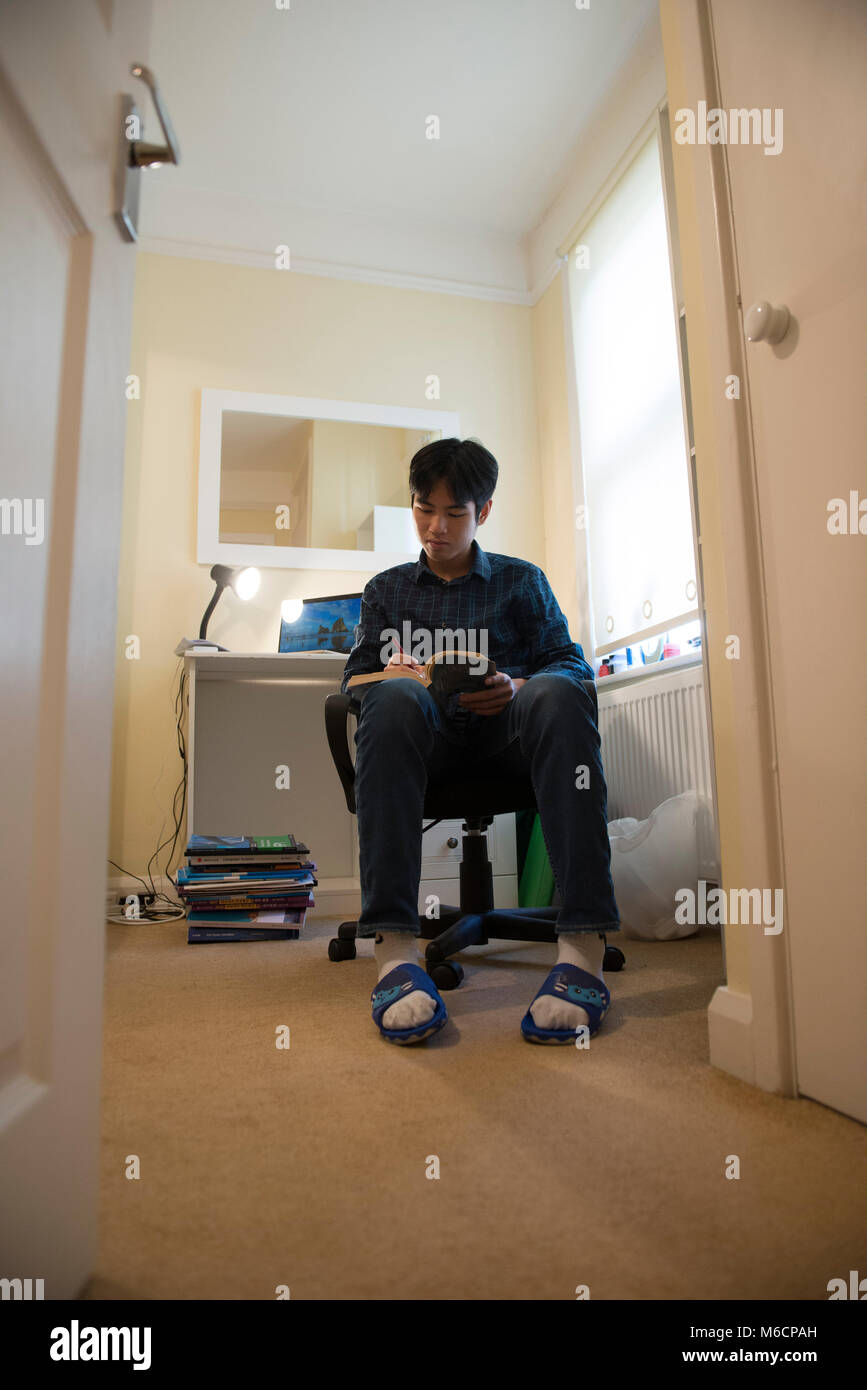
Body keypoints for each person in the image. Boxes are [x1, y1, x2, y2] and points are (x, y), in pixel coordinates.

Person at [340, 437, 620, 1045]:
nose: (436, 527)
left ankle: (581, 949)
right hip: (425, 749)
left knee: (557, 690)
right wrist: (394, 676)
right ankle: (394, 952)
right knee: (391, 698)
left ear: (484, 512)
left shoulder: (522, 582)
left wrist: (518, 685)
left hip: (509, 749)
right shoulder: (386, 591)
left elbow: (572, 667)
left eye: (455, 513)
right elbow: (353, 678)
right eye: (423, 509)